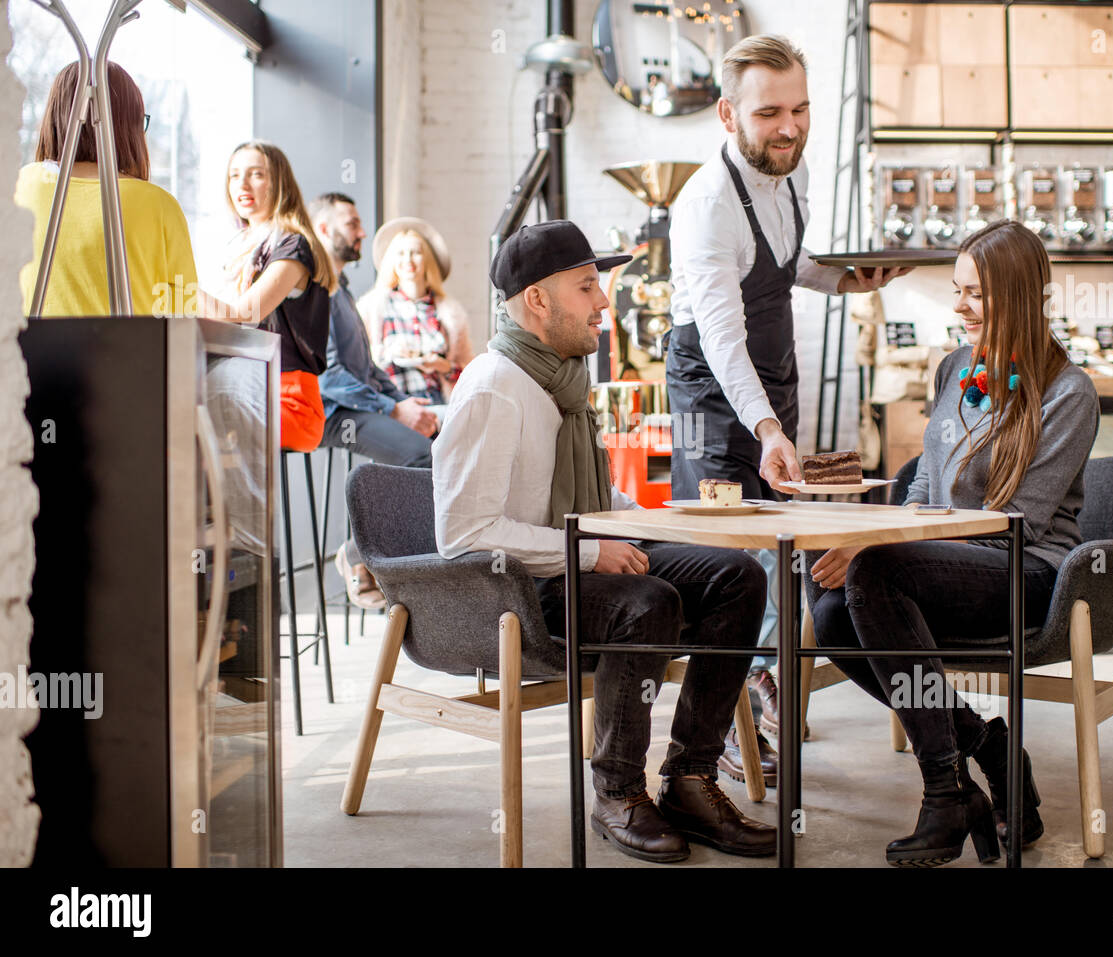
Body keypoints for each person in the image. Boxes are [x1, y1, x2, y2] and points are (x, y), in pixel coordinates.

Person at [434, 220, 776, 863]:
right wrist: (592, 553)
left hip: (572, 563)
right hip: (521, 591)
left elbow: (597, 505)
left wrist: (666, 521)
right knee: (647, 601)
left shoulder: (562, 381)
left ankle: (690, 780)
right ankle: (618, 792)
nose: (603, 304)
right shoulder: (492, 388)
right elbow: (465, 533)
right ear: (538, 300)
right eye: (588, 287)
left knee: (738, 575)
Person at [808, 220, 1100, 865]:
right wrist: (866, 540)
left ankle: (945, 792)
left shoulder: (1067, 392)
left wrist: (881, 552)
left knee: (874, 572)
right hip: (945, 562)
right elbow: (922, 491)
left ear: (1022, 296)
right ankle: (986, 747)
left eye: (976, 294)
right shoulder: (955, 369)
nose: (959, 305)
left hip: (1024, 571)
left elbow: (1012, 520)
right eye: (958, 289)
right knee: (826, 594)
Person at [664, 34, 909, 778]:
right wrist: (765, 425)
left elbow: (785, 264)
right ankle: (716, 734)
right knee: (727, 558)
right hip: (712, 387)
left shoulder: (788, 176)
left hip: (773, 374)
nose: (792, 127)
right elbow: (721, 335)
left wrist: (848, 280)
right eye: (771, 112)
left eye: (801, 109)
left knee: (779, 540)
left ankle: (763, 689)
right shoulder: (705, 203)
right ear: (727, 114)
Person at [308, 193, 440, 607]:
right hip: (334, 413)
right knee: (422, 458)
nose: (362, 232)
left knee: (445, 447)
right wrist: (394, 409)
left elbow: (366, 369)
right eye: (352, 223)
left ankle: (410, 571)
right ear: (325, 230)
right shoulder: (315, 290)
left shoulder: (341, 290)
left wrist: (405, 402)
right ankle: (360, 554)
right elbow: (330, 377)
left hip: (362, 404)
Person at [17, 61, 197, 318]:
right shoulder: (159, 205)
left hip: (30, 356)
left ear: (54, 119)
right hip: (132, 356)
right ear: (130, 126)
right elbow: (182, 313)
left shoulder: (19, 186)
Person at [208, 141, 336, 453]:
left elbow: (245, 312)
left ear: (278, 183)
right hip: (244, 386)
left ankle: (226, 503)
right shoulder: (234, 248)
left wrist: (175, 288)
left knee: (194, 421)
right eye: (234, 175)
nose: (242, 183)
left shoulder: (293, 245)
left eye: (256, 174)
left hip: (288, 400)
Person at [357, 217, 473, 412]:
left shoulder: (451, 312)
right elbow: (359, 363)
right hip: (393, 406)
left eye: (415, 253)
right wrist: (388, 354)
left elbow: (470, 374)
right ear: (391, 260)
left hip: (439, 405)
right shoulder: (372, 307)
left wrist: (444, 366)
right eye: (400, 253)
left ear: (427, 260)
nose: (408, 260)